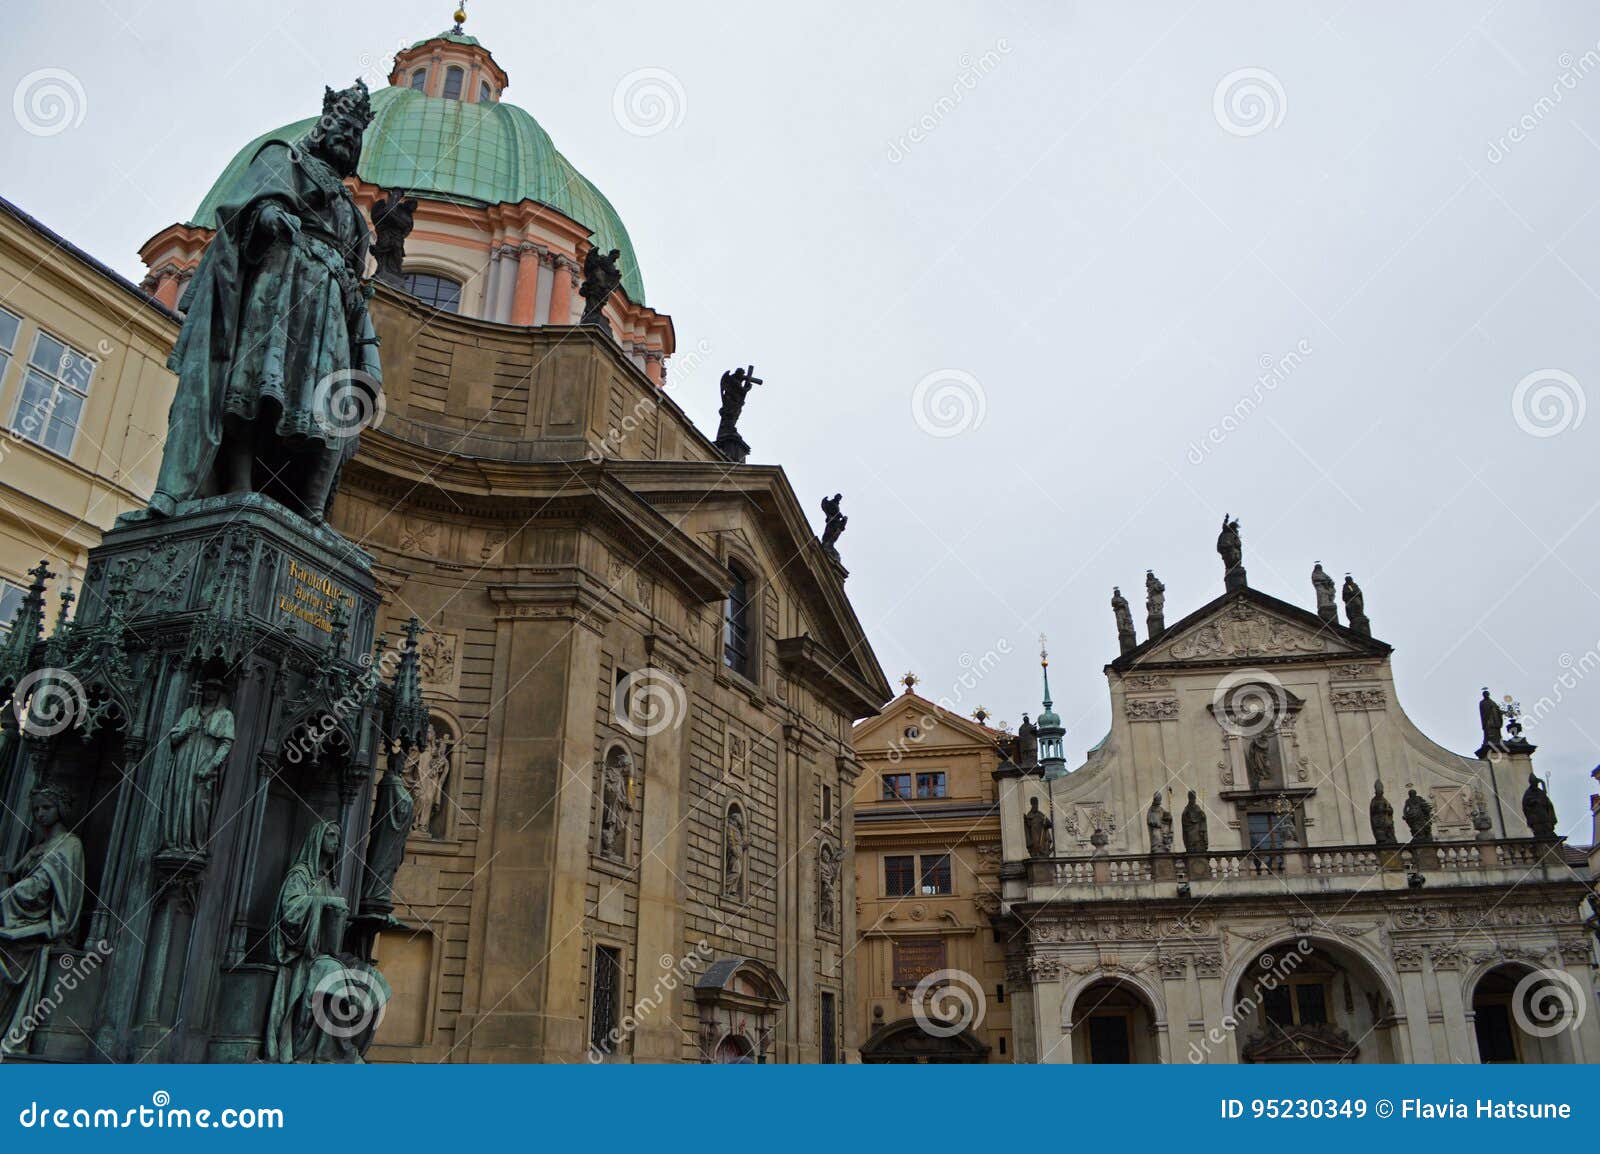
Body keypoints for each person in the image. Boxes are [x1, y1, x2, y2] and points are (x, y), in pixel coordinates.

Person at [0, 784, 85, 1055]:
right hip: (20, 920)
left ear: (60, 809)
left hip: (42, 928)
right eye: (36, 808)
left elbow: (41, 886)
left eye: (46, 807)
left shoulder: (70, 844)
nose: (39, 814)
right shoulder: (38, 847)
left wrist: (7, 896)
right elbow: (18, 877)